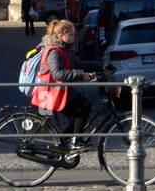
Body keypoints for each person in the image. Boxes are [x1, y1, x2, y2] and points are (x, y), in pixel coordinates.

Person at [31, 19, 102, 147]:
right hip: (51, 92)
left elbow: (78, 63)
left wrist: (100, 66)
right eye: (71, 35)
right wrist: (82, 75)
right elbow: (58, 73)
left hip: (61, 90)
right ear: (60, 36)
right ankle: (75, 142)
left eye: (74, 34)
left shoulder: (64, 49)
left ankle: (61, 146)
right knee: (84, 107)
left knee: (77, 119)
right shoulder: (55, 51)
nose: (74, 37)